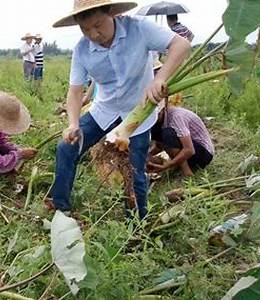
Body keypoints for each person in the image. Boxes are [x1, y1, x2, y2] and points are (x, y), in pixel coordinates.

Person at [50, 0, 190, 219]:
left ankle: (136, 222)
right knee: (66, 148)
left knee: (135, 171)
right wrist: (73, 124)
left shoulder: (139, 29)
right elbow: (75, 91)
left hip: (138, 113)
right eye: (85, 29)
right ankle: (61, 207)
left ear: (112, 13)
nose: (93, 34)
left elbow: (181, 44)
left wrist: (160, 78)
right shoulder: (82, 50)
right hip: (104, 109)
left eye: (98, 25)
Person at [148, 105, 214, 176]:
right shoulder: (162, 119)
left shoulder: (176, 117)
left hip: (203, 154)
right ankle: (179, 164)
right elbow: (159, 145)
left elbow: (189, 150)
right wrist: (147, 156)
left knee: (168, 134)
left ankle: (187, 173)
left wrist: (168, 165)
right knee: (156, 130)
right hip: (191, 149)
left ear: (162, 110)